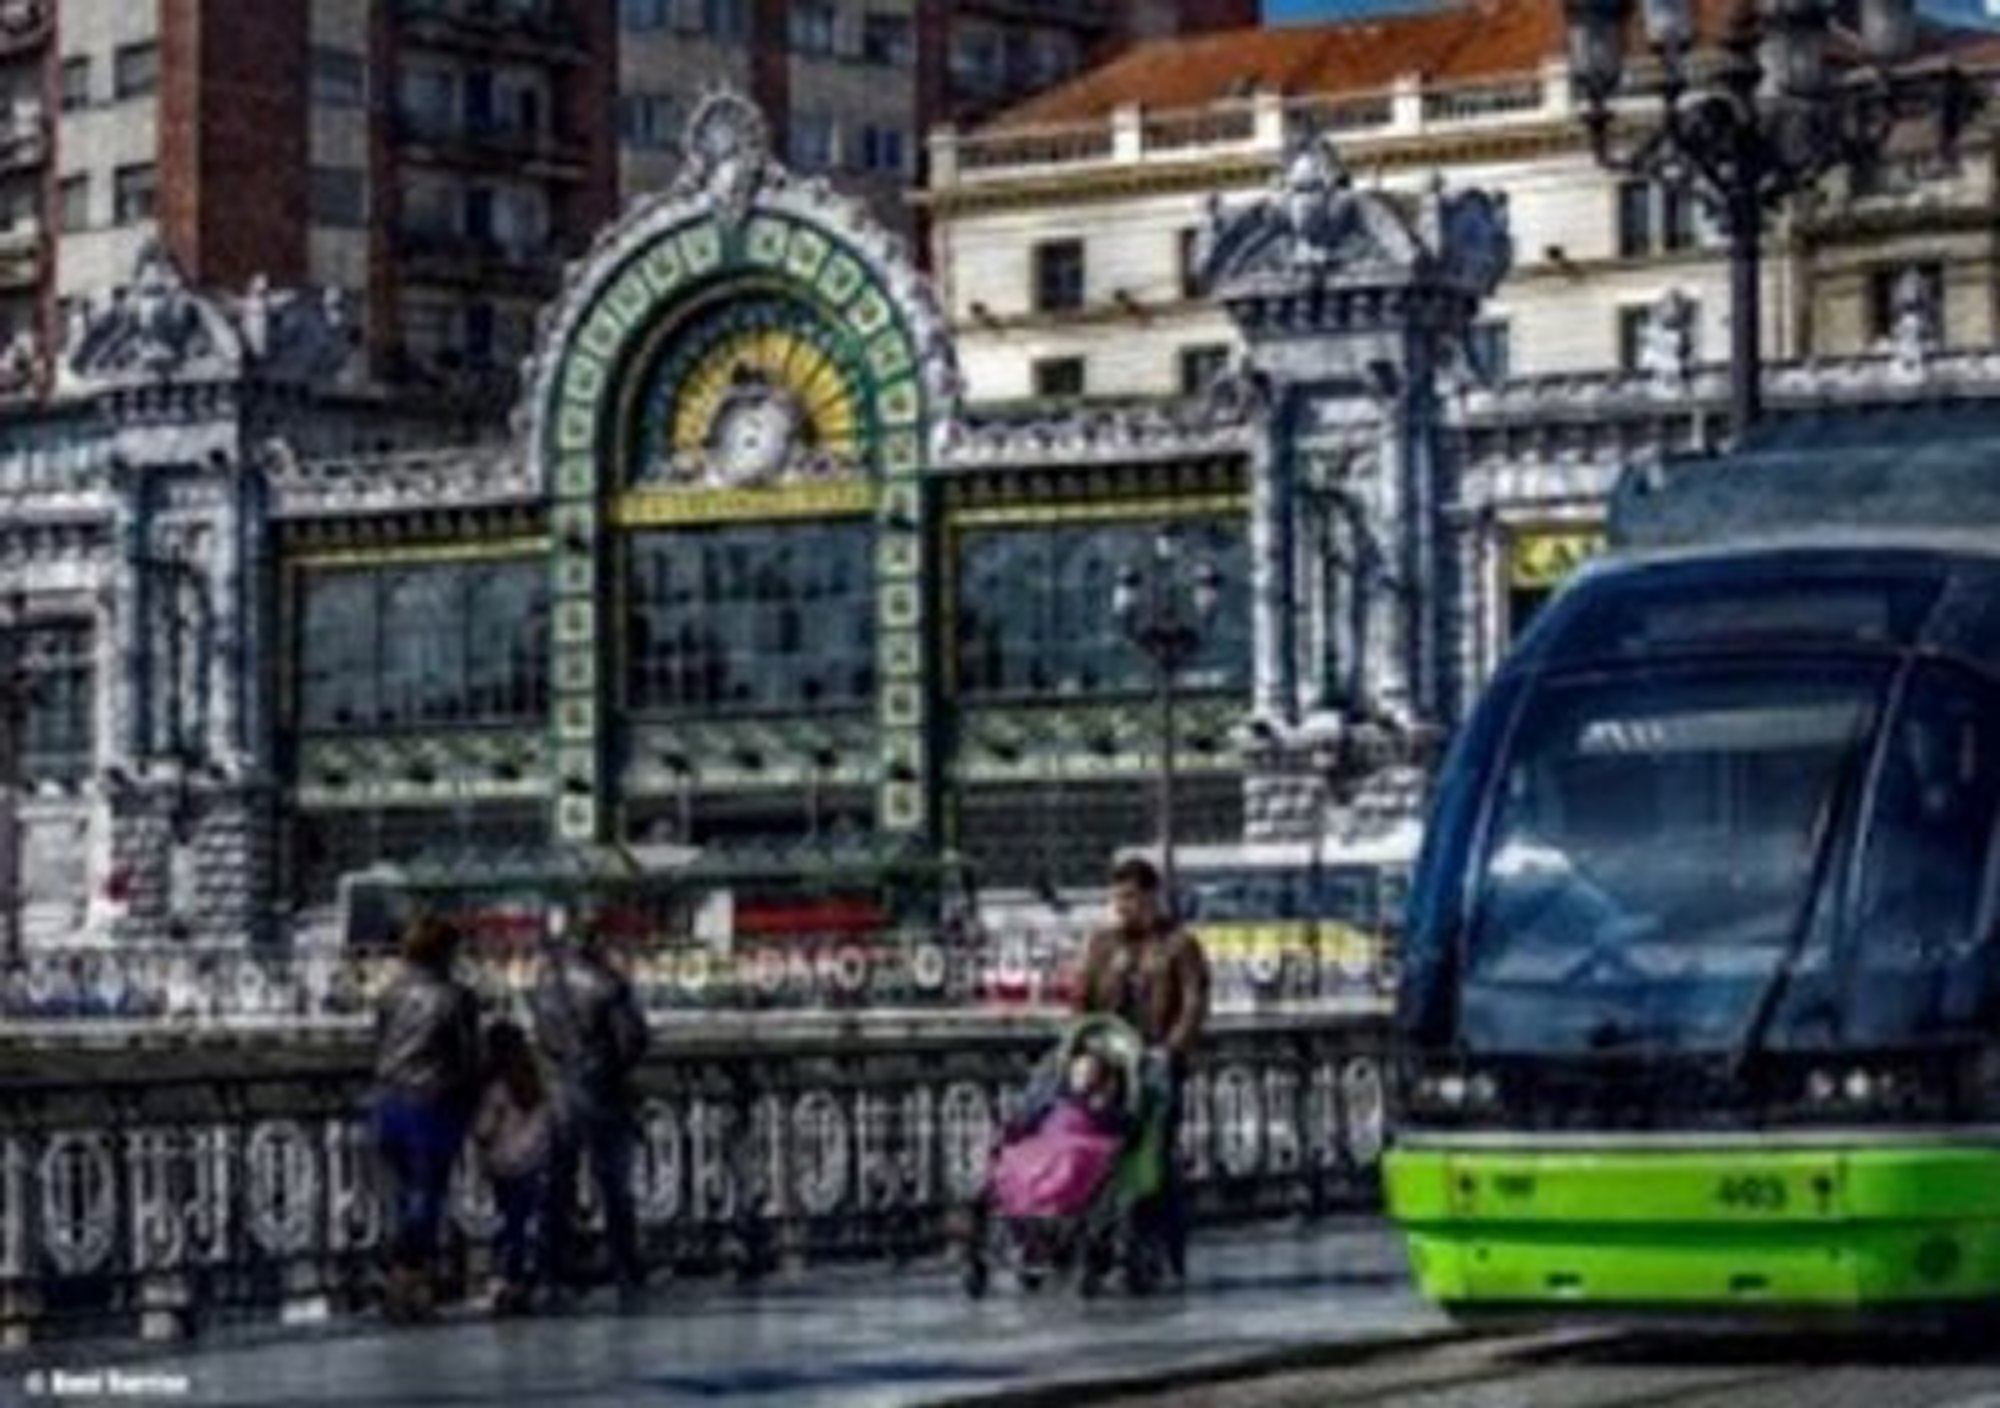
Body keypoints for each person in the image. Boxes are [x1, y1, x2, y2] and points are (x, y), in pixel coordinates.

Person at [1074, 856, 1211, 1282]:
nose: (1123, 907)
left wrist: (1171, 1049)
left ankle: (1160, 1244)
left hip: (1155, 1066)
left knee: (1154, 1156)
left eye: (1131, 897)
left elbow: (1194, 1003)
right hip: (1110, 1065)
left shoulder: (1179, 945)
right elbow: (1083, 998)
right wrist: (1082, 1040)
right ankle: (1097, 1239)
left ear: (1152, 896)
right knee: (1097, 1150)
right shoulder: (1102, 944)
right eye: (1117, 898)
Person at [531, 913, 651, 1306]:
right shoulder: (607, 985)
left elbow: (543, 1038)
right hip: (602, 1090)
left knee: (557, 1185)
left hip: (558, 1091)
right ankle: (625, 1268)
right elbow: (633, 1040)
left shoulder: (544, 984)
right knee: (615, 1186)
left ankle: (551, 1269)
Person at [371, 915, 482, 1322]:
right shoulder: (456, 998)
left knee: (402, 1196)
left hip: (387, 1101)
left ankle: (408, 1284)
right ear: (446, 953)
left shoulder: (389, 994)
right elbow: (469, 1057)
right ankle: (407, 1275)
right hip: (433, 1102)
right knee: (427, 1196)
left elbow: (381, 1043)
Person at [472, 1019, 556, 1315]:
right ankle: (526, 1280)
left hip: (503, 1164)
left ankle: (505, 1279)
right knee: (526, 1220)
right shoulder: (536, 1085)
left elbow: (484, 1129)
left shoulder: (496, 1089)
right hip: (533, 1162)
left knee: (508, 1222)